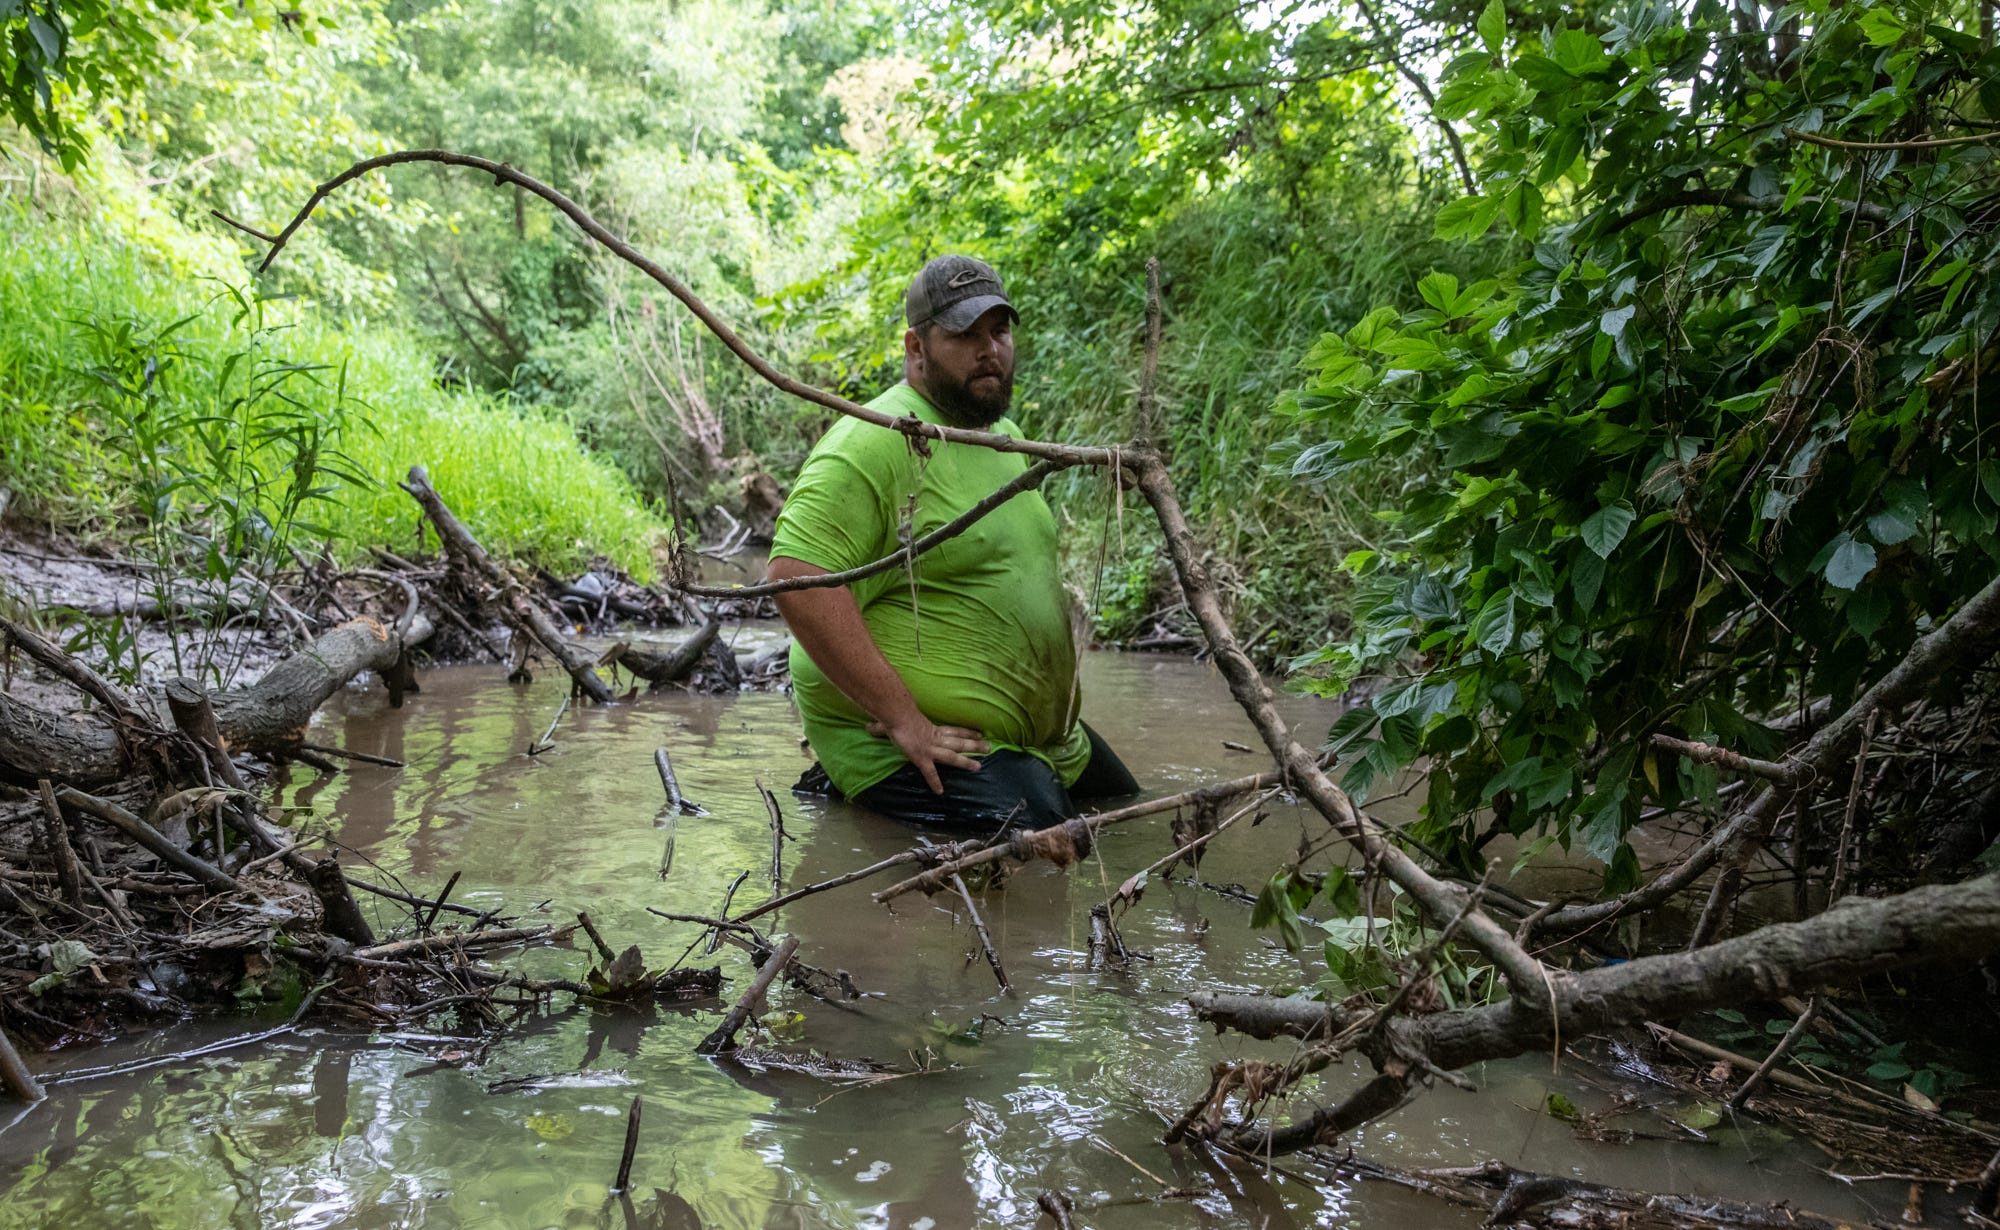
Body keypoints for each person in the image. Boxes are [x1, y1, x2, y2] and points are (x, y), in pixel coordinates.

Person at [768, 254, 1138, 831]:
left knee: (1128, 813)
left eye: (999, 330)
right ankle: (851, 781)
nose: (988, 349)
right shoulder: (875, 440)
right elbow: (797, 577)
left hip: (1044, 739)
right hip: (919, 742)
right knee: (1051, 852)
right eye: (964, 334)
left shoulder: (1005, 441)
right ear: (916, 347)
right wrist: (903, 718)